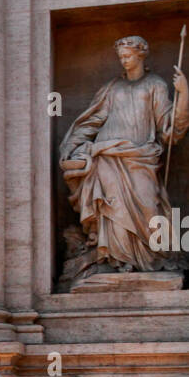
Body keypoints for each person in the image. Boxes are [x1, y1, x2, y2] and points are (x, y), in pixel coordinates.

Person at [59, 36, 188, 271]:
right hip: (107, 156)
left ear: (141, 55)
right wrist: (72, 145)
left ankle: (148, 261)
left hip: (141, 157)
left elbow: (170, 129)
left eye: (128, 56)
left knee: (149, 205)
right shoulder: (112, 88)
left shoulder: (155, 85)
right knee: (113, 208)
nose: (124, 61)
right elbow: (93, 121)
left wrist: (184, 94)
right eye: (121, 57)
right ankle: (117, 261)